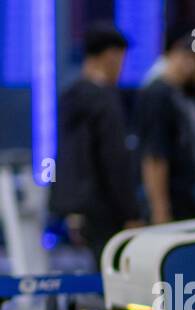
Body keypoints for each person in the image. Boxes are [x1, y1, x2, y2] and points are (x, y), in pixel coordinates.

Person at [48, 23, 142, 263]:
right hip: (104, 212)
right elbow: (114, 160)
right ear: (110, 56)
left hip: (69, 211)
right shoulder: (106, 101)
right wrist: (130, 212)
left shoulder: (69, 96)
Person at [135, 24, 195, 223]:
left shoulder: (181, 95)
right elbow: (154, 157)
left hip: (187, 201)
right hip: (173, 205)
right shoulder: (157, 94)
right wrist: (160, 209)